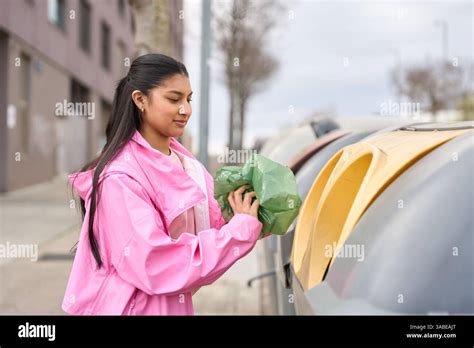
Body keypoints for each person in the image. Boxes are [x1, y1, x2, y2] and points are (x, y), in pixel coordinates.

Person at [62, 53, 262, 315]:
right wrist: (238, 232)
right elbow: (156, 263)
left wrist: (252, 217)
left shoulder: (185, 164)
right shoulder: (120, 179)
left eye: (189, 99)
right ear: (140, 99)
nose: (186, 109)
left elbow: (211, 224)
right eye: (174, 98)